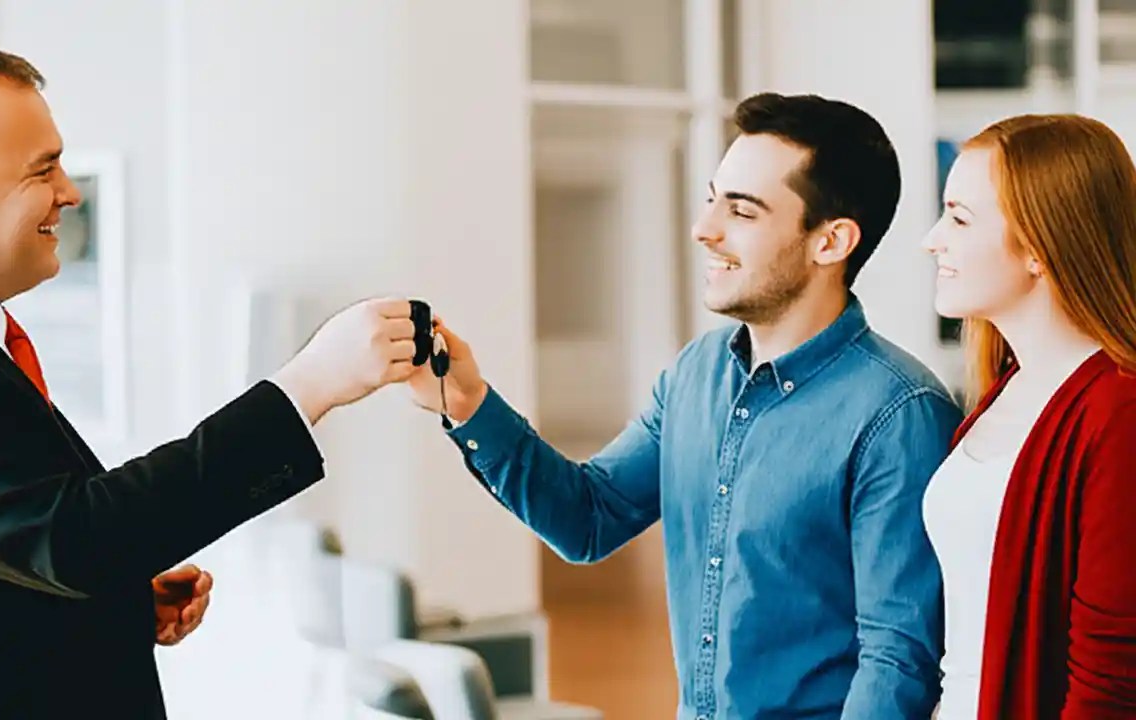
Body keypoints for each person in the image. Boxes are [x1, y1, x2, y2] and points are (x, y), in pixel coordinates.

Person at [0, 45, 420, 718]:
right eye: (43, 169)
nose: (69, 192)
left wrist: (114, 604)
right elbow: (74, 540)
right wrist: (312, 383)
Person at [408, 93, 963, 719]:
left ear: (831, 241)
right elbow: (589, 516)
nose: (705, 229)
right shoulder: (697, 372)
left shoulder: (900, 414)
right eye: (712, 199)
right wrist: (468, 402)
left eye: (742, 211)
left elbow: (896, 663)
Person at [922, 113, 1136, 719]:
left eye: (960, 218)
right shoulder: (1008, 387)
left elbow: (1110, 689)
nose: (933, 239)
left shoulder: (1118, 413)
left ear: (1040, 247)